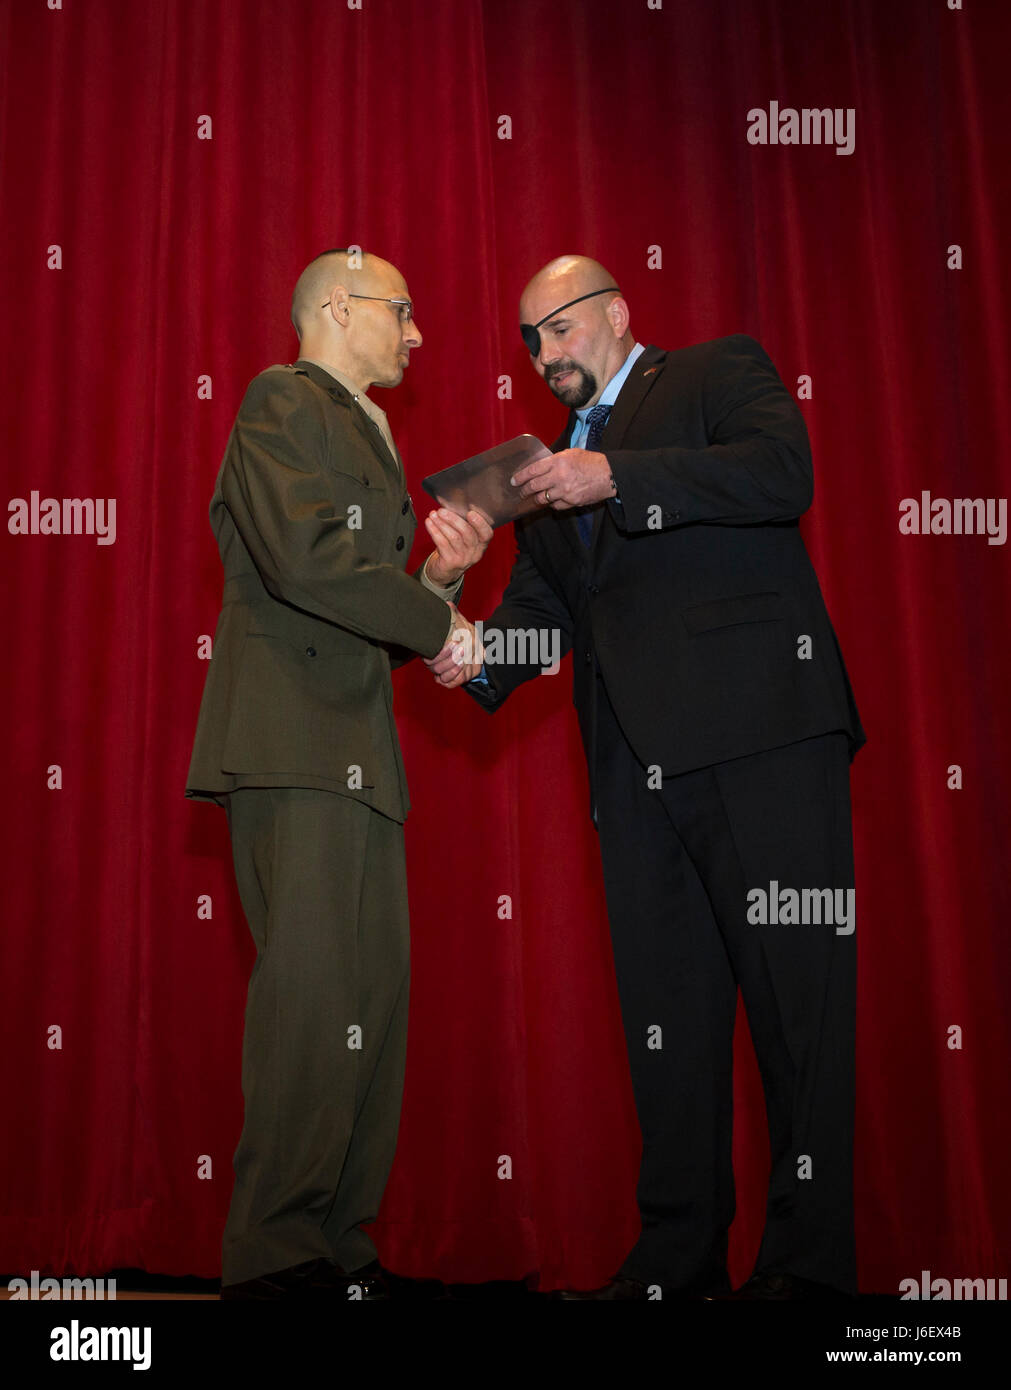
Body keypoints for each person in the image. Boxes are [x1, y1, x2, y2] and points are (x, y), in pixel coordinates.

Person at [427, 254, 865, 1300]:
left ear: (618, 315)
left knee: (799, 1015)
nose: (546, 355)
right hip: (634, 773)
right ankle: (677, 1257)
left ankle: (805, 1276)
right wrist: (463, 643)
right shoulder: (544, 472)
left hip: (763, 741)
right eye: (531, 342)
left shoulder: (714, 373)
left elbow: (780, 470)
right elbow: (545, 621)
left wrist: (618, 474)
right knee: (665, 1023)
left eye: (562, 329)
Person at [186, 248, 490, 1300]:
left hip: (358, 753)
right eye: (402, 312)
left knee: (373, 1000)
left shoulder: (366, 426)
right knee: (314, 1000)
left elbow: (355, 590)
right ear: (340, 305)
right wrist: (443, 624)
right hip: (295, 743)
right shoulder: (282, 400)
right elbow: (309, 558)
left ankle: (340, 1250)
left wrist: (437, 585)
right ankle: (276, 1255)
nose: (416, 335)